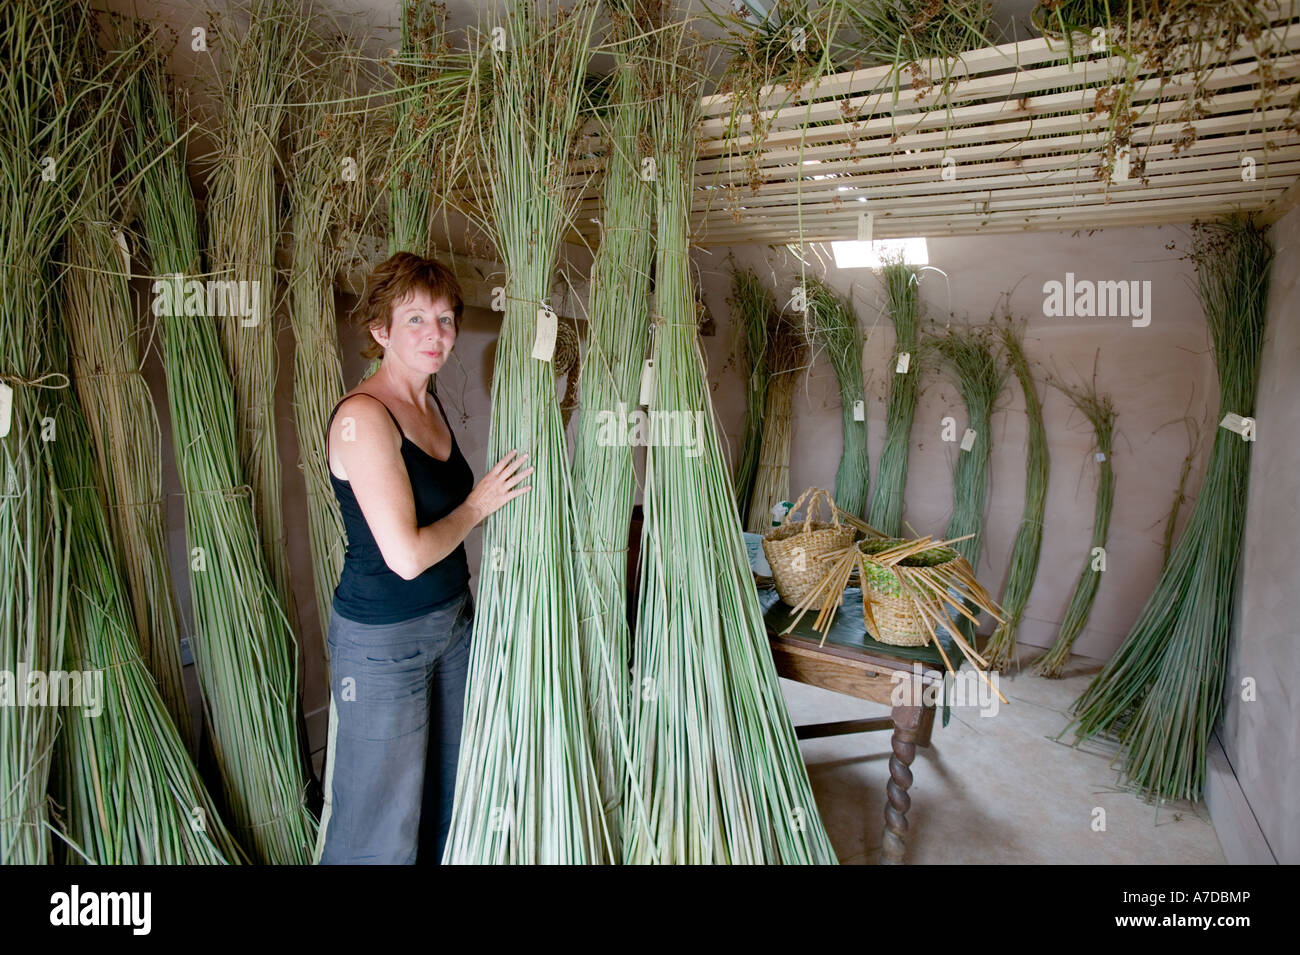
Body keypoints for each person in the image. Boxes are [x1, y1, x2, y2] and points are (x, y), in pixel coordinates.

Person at [315, 252, 532, 864]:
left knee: (446, 793)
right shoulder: (365, 417)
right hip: (383, 639)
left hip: (450, 623)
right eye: (414, 320)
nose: (434, 335)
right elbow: (407, 556)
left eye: (444, 319)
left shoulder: (430, 405)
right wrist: (479, 505)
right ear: (381, 330)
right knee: (379, 813)